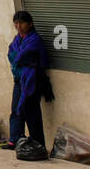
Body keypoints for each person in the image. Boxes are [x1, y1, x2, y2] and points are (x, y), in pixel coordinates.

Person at [5, 10, 54, 151]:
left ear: (30, 24)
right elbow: (12, 54)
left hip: (32, 80)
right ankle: (14, 140)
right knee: (16, 110)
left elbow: (22, 56)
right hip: (19, 79)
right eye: (16, 23)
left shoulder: (35, 40)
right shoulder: (18, 39)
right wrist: (18, 58)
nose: (18, 26)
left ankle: (38, 143)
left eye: (21, 23)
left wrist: (18, 58)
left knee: (31, 112)